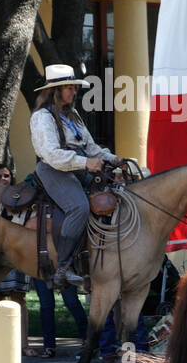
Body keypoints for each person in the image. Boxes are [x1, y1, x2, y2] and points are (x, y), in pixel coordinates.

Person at [29, 63, 124, 288]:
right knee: (79, 207)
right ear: (56, 90)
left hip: (78, 167)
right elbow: (52, 155)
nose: (74, 92)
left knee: (112, 197)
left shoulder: (73, 115)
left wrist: (112, 158)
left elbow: (91, 147)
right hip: (53, 169)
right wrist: (86, 162)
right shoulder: (42, 117)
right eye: (69, 88)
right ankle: (63, 267)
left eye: (74, 88)